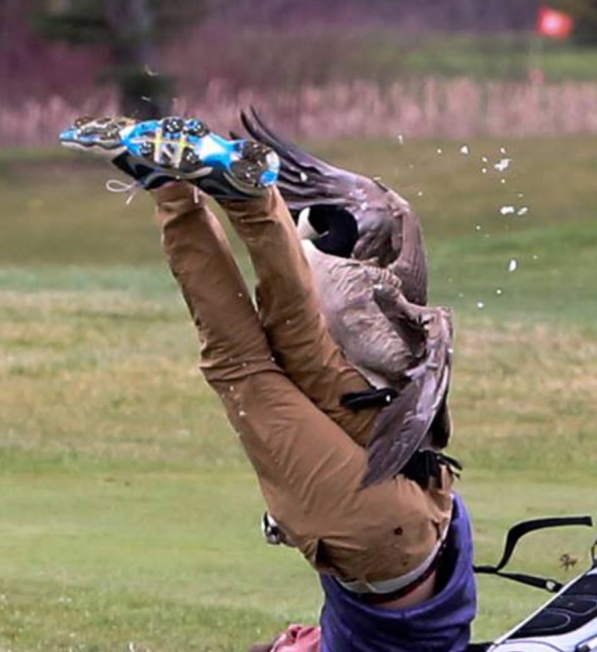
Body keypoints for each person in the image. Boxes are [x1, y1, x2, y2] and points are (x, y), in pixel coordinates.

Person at [60, 116, 477, 652]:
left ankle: (235, 192)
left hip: (420, 481)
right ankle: (174, 189)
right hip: (381, 541)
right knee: (238, 367)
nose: (289, 635)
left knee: (296, 337)